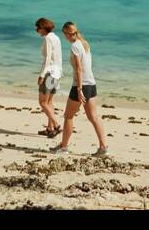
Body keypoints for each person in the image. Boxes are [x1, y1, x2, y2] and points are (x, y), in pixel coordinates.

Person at [51, 20, 108, 157]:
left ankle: (64, 147)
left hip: (81, 86)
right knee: (93, 117)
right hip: (92, 84)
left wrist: (79, 89)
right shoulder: (84, 43)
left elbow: (79, 69)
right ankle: (103, 147)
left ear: (66, 33)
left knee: (68, 116)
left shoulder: (75, 47)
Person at [35, 17, 62, 138]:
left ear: (43, 28)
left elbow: (47, 59)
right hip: (57, 73)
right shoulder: (56, 38)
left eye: (38, 28)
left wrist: (41, 75)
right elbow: (58, 57)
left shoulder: (47, 39)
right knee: (49, 101)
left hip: (49, 73)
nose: (37, 31)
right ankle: (50, 128)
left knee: (42, 102)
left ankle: (56, 125)